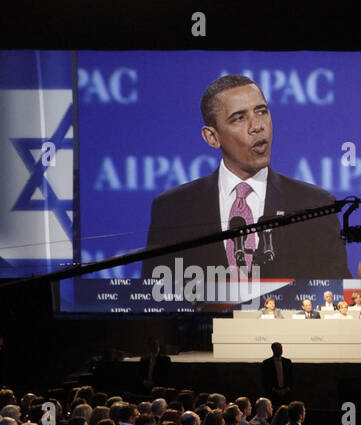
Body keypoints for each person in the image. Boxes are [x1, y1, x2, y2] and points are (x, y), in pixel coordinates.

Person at [142, 75, 349, 281]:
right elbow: (153, 298)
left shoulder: (315, 205)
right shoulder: (172, 208)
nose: (257, 125)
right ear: (212, 137)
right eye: (239, 118)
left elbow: (335, 293)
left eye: (261, 112)